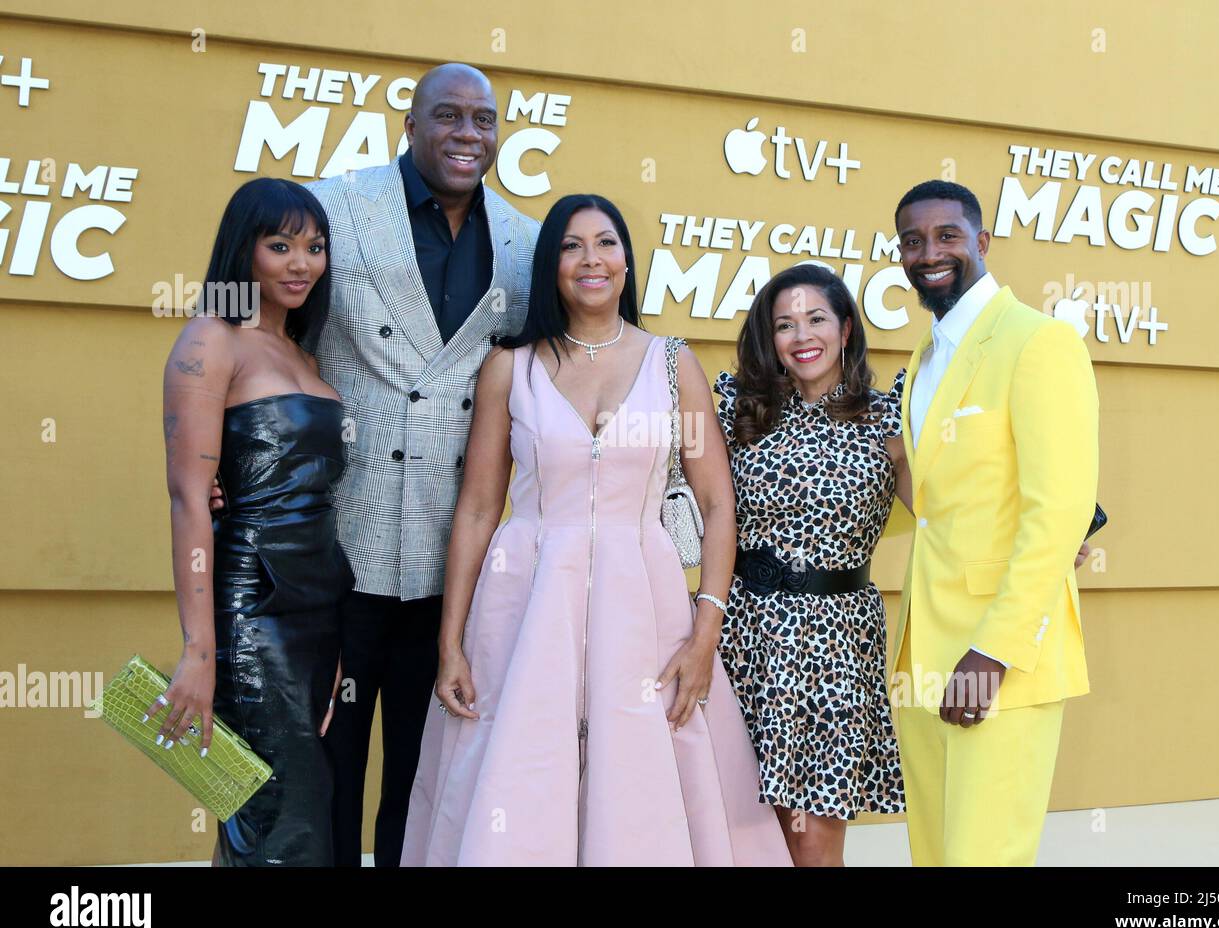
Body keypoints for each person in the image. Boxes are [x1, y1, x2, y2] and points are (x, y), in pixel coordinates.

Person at [205, 63, 539, 866]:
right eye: (448, 117)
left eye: (484, 120)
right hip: (330, 555)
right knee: (318, 774)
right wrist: (219, 447)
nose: (468, 135)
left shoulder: (529, 243)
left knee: (426, 783)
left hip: (454, 559)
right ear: (411, 123)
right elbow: (230, 307)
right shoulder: (335, 207)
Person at [400, 194, 791, 865]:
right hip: (522, 606)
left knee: (639, 774)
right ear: (550, 265)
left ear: (626, 259)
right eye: (571, 246)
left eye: (606, 242)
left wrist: (706, 630)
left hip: (644, 609)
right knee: (523, 776)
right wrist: (450, 641)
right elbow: (476, 506)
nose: (591, 260)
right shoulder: (510, 367)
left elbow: (718, 504)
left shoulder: (673, 364)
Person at [889, 180, 1099, 866]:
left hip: (998, 662)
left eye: (947, 235)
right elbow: (938, 507)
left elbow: (1059, 511)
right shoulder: (925, 356)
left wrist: (993, 653)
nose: (930, 253)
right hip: (924, 657)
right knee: (938, 855)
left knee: (985, 858)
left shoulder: (1039, 342)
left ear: (982, 242)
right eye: (913, 241)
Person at [149, 177, 352, 866]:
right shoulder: (211, 340)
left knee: (290, 810)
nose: (302, 263)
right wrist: (199, 652)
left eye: (315, 247)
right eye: (280, 245)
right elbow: (188, 500)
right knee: (279, 814)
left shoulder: (303, 354)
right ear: (245, 251)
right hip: (250, 610)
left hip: (318, 613)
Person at [713, 264, 909, 866]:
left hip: (834, 645)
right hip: (741, 635)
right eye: (784, 325)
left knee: (813, 843)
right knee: (736, 828)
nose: (802, 335)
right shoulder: (736, 411)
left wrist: (1060, 529)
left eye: (816, 318)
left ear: (846, 328)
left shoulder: (889, 418)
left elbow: (955, 501)